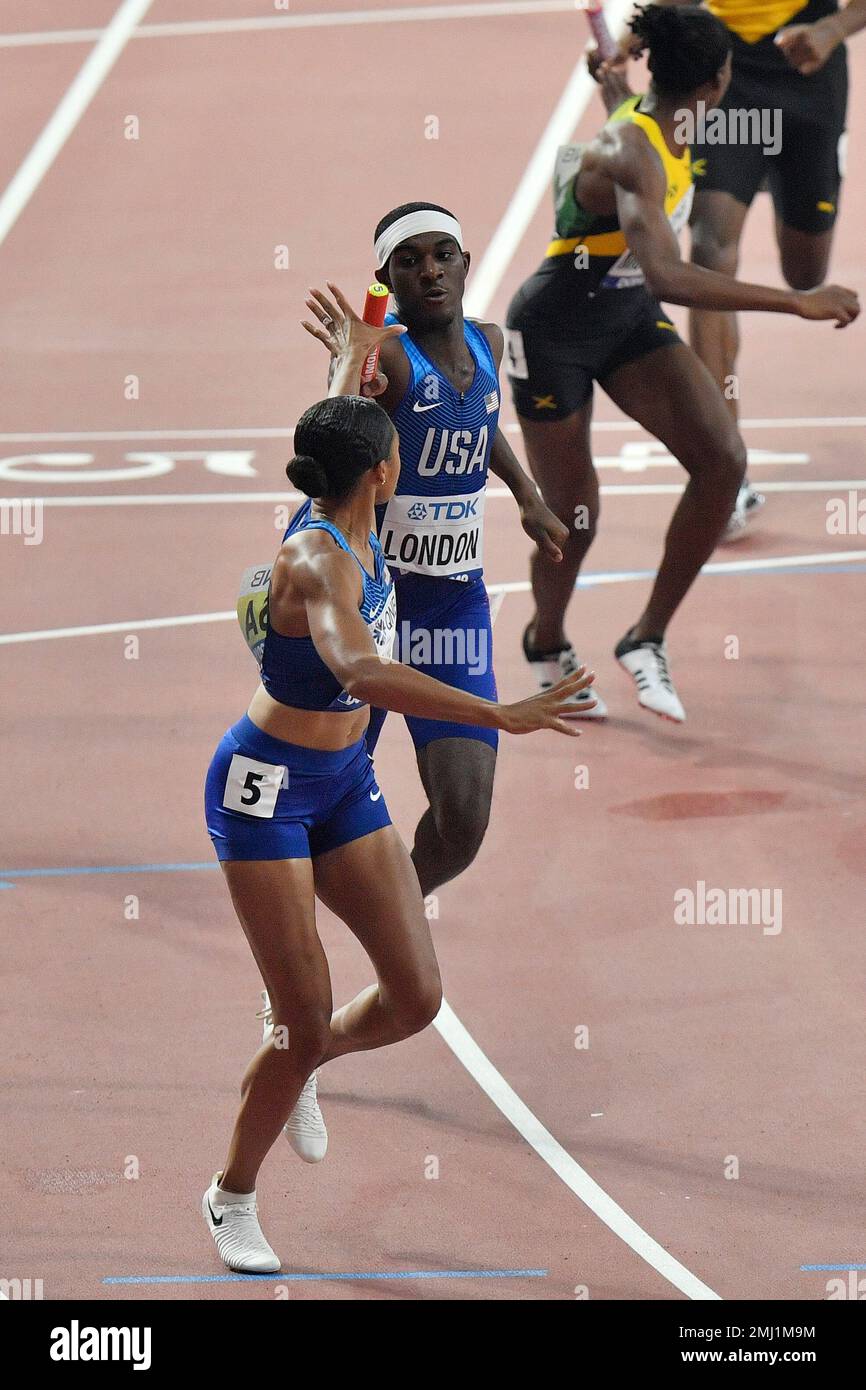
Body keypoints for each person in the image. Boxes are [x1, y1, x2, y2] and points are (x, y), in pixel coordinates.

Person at [201, 325, 593, 1273]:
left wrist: (348, 359)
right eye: (392, 455)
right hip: (266, 794)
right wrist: (497, 712)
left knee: (416, 996)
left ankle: (307, 1061)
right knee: (300, 1013)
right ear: (382, 474)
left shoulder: (353, 502)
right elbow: (361, 668)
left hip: (341, 783)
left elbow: (350, 423)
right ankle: (232, 1196)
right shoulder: (317, 558)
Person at [505, 3, 858, 722]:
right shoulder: (628, 146)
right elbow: (667, 275)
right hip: (555, 334)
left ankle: (645, 637)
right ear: (721, 78)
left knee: (723, 463)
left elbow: (625, 111)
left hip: (625, 320)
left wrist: (614, 72)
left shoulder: (670, 117)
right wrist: (798, 302)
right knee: (573, 518)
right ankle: (545, 641)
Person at [302, 205, 578, 909]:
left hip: (453, 605)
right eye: (409, 260)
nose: (429, 269)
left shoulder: (487, 341)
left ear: (465, 263)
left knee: (464, 820)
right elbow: (328, 451)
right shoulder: (388, 358)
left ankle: (391, 915)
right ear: (386, 278)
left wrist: (526, 493)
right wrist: (346, 369)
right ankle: (290, 948)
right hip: (371, 607)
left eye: (442, 254)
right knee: (309, 813)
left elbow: (480, 424)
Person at [655, 0, 866, 538]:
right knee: (710, 250)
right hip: (729, 74)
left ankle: (773, 175)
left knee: (805, 273)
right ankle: (725, 468)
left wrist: (835, 27)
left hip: (810, 64)